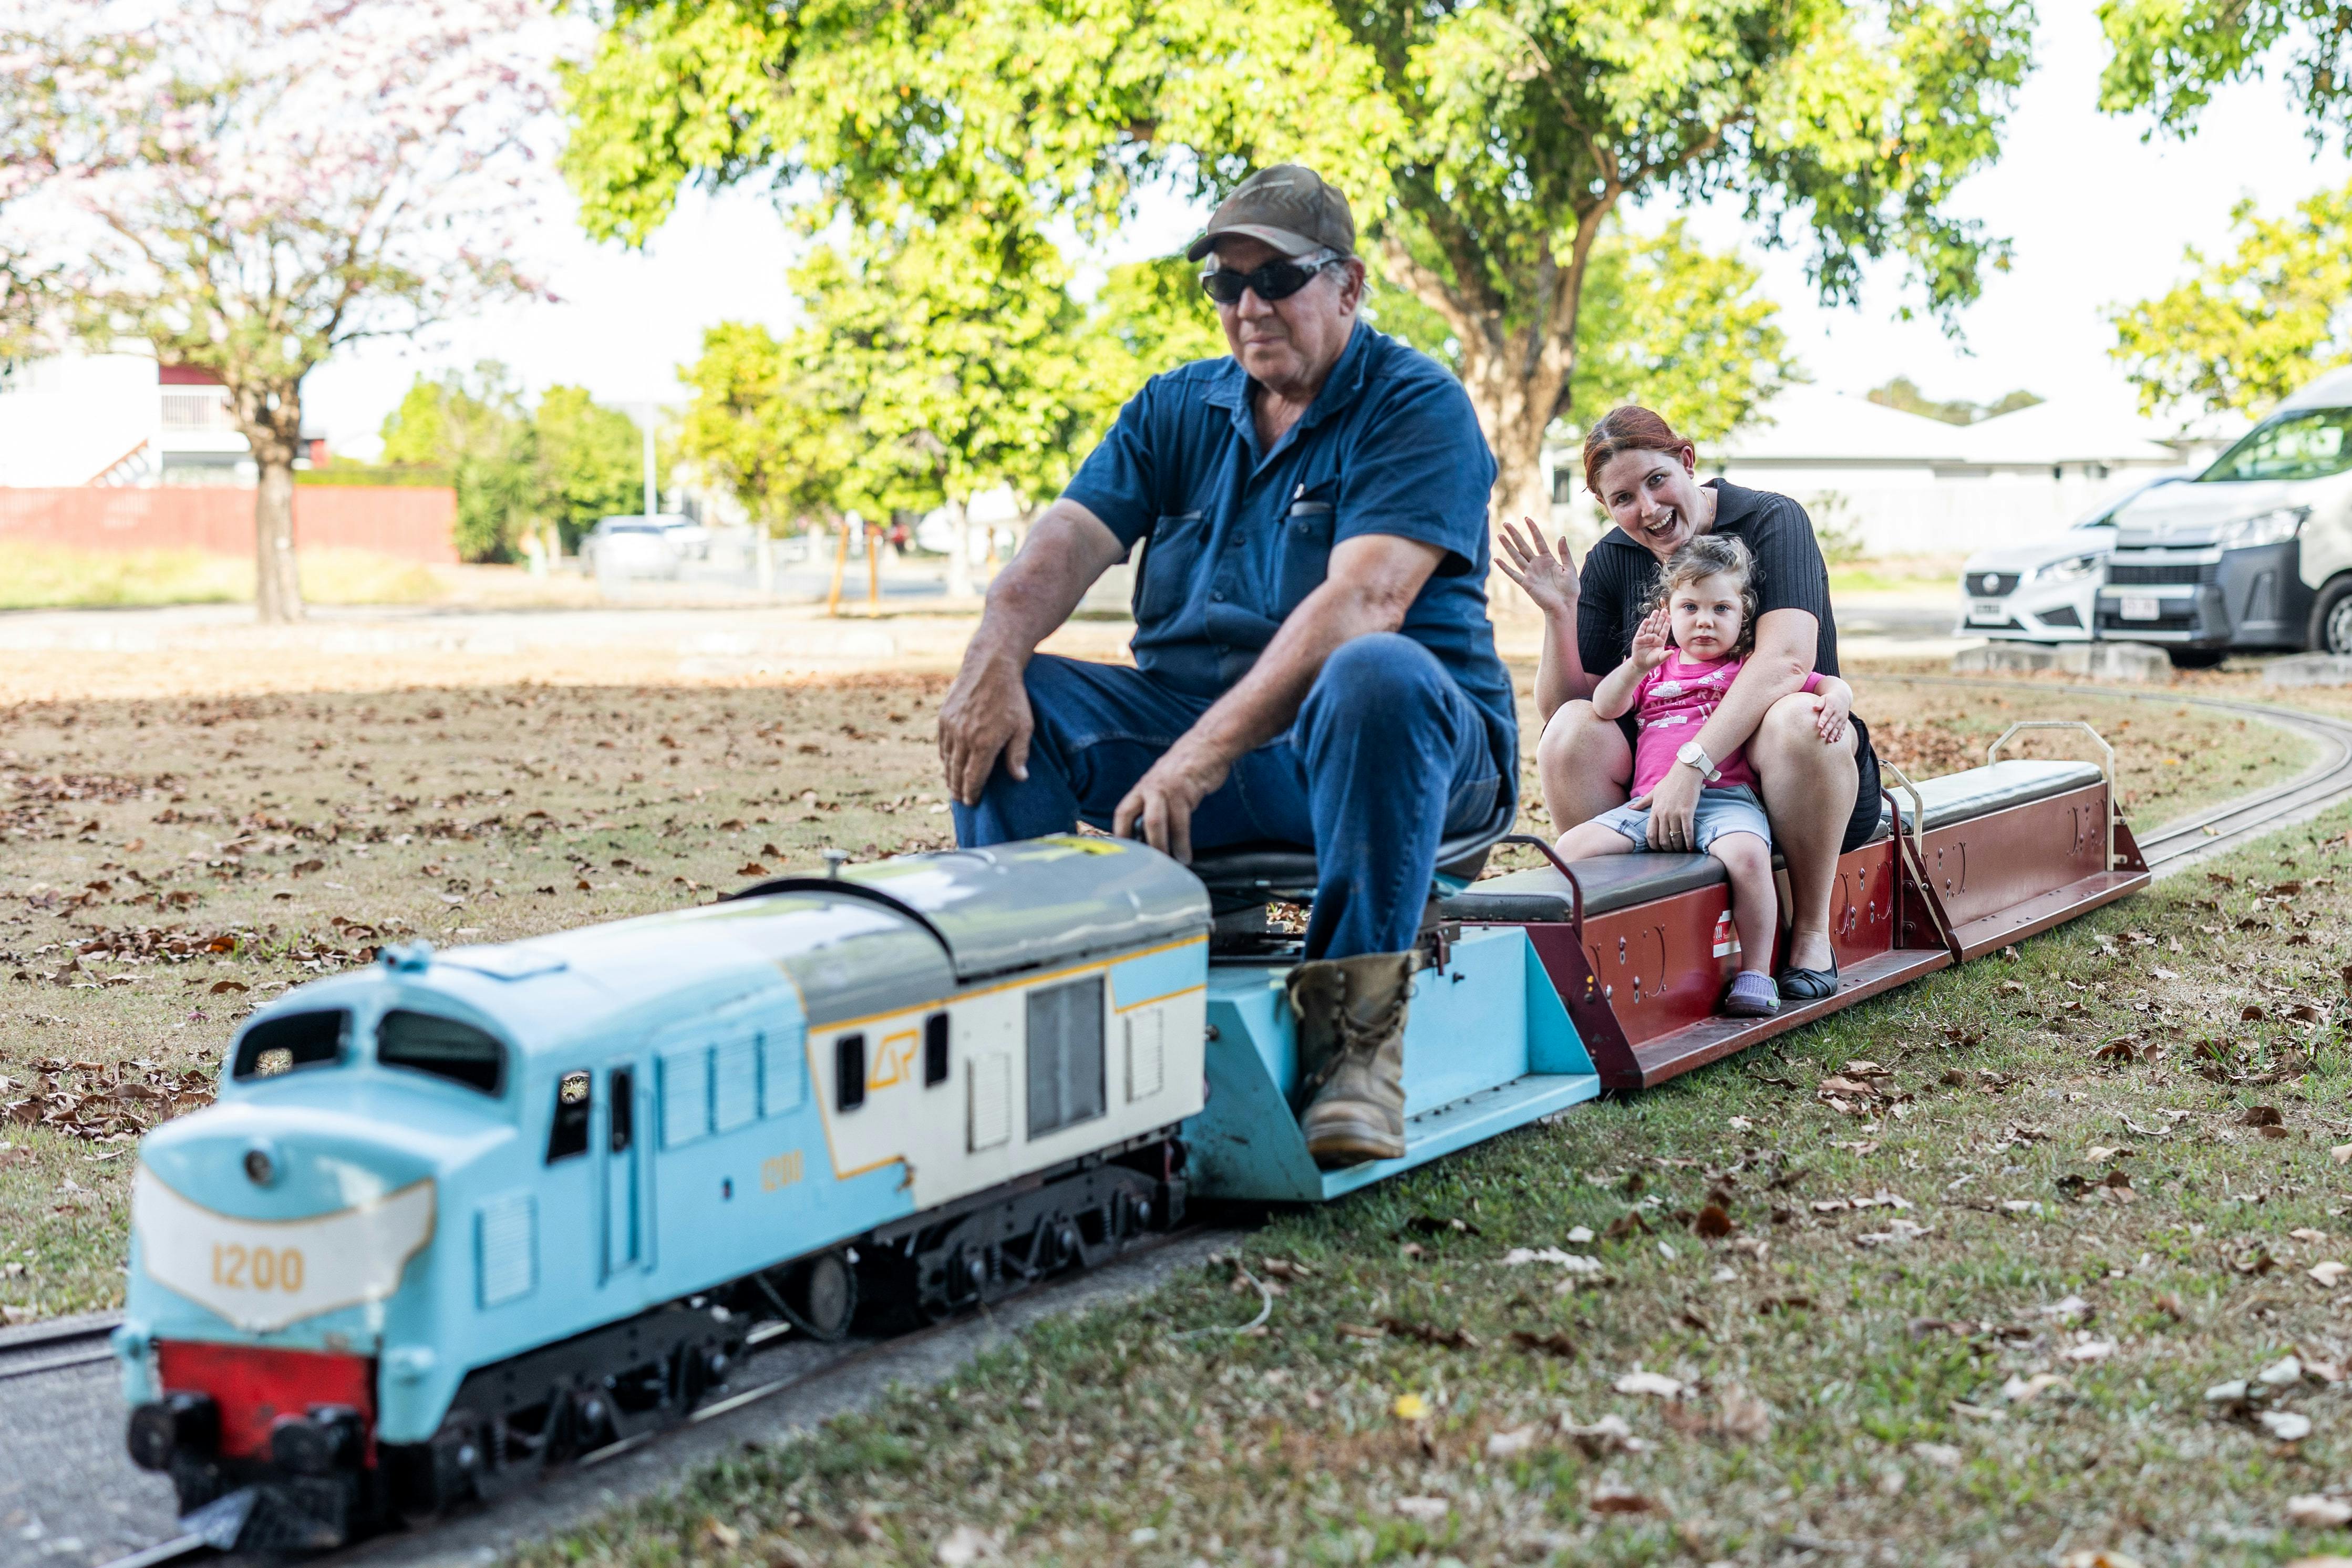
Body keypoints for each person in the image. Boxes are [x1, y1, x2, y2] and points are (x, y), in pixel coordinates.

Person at [934, 164, 1516, 1168]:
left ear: (1349, 284)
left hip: (1391, 749)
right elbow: (1064, 544)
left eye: (1277, 277)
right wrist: (992, 651)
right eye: (1224, 283)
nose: (1249, 306)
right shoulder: (1176, 406)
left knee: (1375, 668)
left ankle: (1354, 1048)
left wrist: (1198, 756)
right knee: (1015, 700)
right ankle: (1037, 1034)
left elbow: (1363, 603)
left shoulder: (1417, 403)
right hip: (1195, 745)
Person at [1497, 405, 1882, 1003]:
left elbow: (1786, 663)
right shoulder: (1611, 562)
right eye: (1623, 497)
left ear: (1687, 460)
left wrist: (1692, 765)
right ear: (1605, 507)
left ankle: (1808, 931)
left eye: (1656, 480)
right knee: (1573, 728)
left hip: (1795, 777)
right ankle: (1613, 919)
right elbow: (1571, 710)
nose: (1647, 508)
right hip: (1657, 795)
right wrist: (1558, 614)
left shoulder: (1773, 520)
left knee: (1794, 719)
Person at [1551, 534, 1852, 1016]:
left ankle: (1756, 973)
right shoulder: (1657, 668)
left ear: (1743, 616)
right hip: (1646, 805)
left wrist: (1839, 699)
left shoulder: (1749, 668)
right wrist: (1635, 665)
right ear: (1668, 611)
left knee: (1750, 860)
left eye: (1722, 609)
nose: (1705, 621)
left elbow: (1821, 679)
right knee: (1569, 851)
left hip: (1727, 802)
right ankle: (1572, 959)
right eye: (1690, 607)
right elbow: (1605, 705)